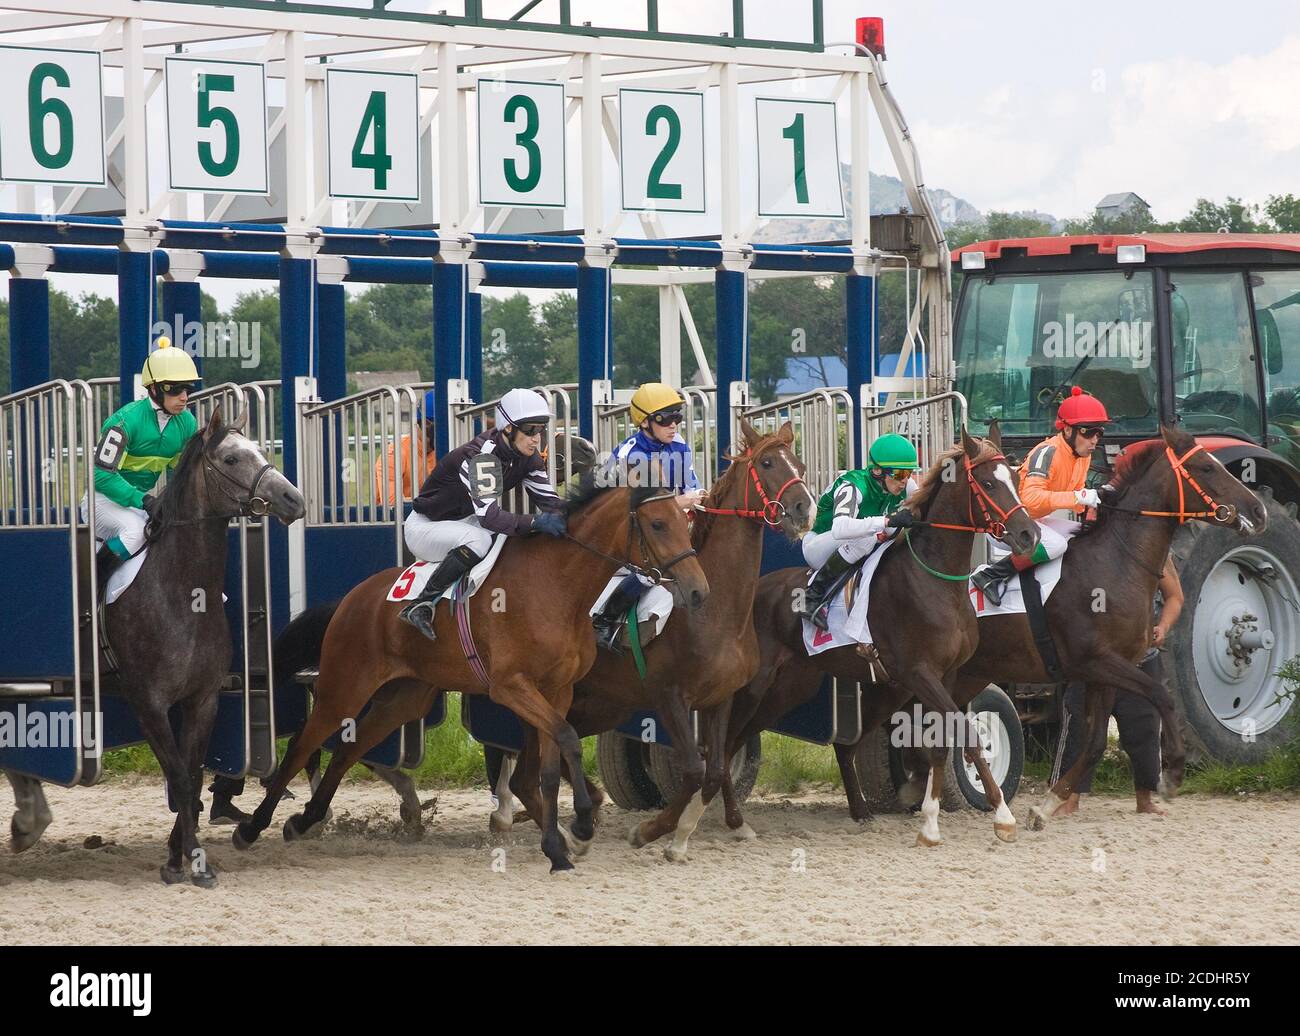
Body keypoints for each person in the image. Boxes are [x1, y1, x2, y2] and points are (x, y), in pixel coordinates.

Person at [398, 387, 567, 639]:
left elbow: (551, 503)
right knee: (482, 539)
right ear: (508, 428)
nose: (536, 438)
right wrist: (535, 521)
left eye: (540, 429)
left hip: (464, 521)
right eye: (530, 430)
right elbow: (491, 517)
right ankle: (421, 604)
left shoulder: (529, 458)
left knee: (507, 540)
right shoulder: (480, 457)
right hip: (425, 528)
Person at [1052, 555, 1184, 816]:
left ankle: (1144, 799)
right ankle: (1068, 797)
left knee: (1145, 726)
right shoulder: (1100, 550)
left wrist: (1163, 626)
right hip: (1097, 659)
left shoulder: (1157, 554)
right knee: (1080, 722)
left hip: (1142, 659)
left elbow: (1175, 597)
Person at [591, 382, 706, 652]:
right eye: (666, 419)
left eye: (677, 417)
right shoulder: (633, 454)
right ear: (644, 422)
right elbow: (648, 509)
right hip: (625, 530)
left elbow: (691, 486)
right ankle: (605, 621)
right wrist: (682, 503)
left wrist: (699, 499)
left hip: (663, 525)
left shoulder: (678, 445)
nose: (674, 425)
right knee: (651, 570)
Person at [971, 386, 1110, 606]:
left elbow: (1076, 498)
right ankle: (990, 575)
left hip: (1033, 520)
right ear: (1067, 430)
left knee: (1084, 535)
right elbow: (1030, 499)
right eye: (1087, 431)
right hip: (1007, 523)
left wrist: (1094, 504)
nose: (1094, 439)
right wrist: (1079, 497)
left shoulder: (1083, 456)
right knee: (1057, 545)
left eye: (1099, 432)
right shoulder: (1047, 452)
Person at [86, 337, 200, 600]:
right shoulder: (125, 421)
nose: (184, 397)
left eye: (188, 390)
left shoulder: (187, 423)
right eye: (175, 389)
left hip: (140, 504)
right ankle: (92, 591)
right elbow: (100, 475)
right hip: (102, 502)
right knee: (136, 532)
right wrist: (144, 499)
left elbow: (179, 473)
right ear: (155, 390)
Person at [796, 432, 920, 630]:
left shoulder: (906, 485)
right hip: (819, 545)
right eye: (899, 474)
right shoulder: (853, 485)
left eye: (909, 473)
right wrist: (886, 520)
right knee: (868, 536)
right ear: (878, 471)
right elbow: (840, 529)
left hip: (851, 546)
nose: (905, 480)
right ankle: (813, 595)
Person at [374, 388, 438, 506]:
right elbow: (392, 504)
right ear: (426, 424)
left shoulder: (444, 452)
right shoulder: (395, 454)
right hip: (395, 522)